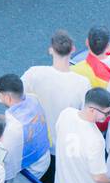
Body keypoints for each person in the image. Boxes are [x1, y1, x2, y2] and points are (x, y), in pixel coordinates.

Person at [22, 30, 89, 163]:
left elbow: (15, 99)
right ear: (73, 50)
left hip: (35, 141)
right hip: (62, 146)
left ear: (51, 50)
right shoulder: (83, 83)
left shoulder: (34, 73)